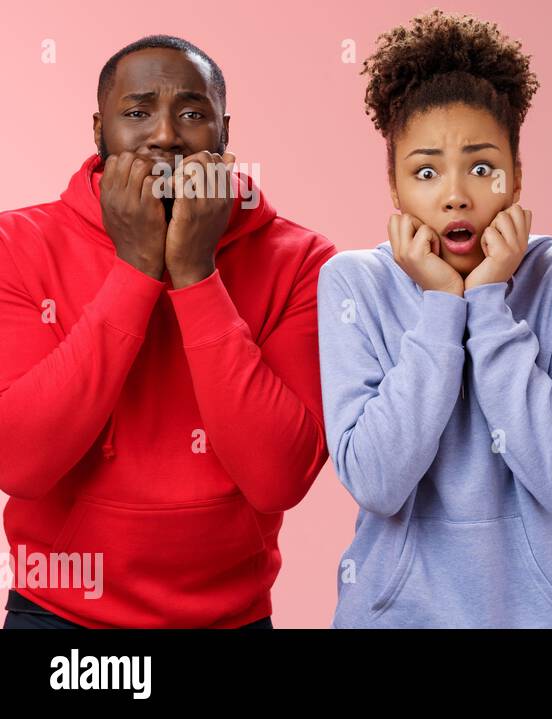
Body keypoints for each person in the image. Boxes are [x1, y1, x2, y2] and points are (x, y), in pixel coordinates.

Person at [0, 35, 336, 628]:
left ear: (224, 131)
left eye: (192, 113)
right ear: (99, 129)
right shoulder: (17, 245)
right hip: (59, 617)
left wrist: (195, 274)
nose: (164, 136)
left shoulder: (303, 259)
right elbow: (19, 464)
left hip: (231, 618)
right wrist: (135, 271)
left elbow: (277, 476)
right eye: (137, 113)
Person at [319, 9, 552, 628]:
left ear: (517, 176)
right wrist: (442, 306)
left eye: (481, 167)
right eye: (425, 172)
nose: (455, 194)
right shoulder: (354, 284)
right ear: (395, 189)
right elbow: (377, 480)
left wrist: (488, 301)